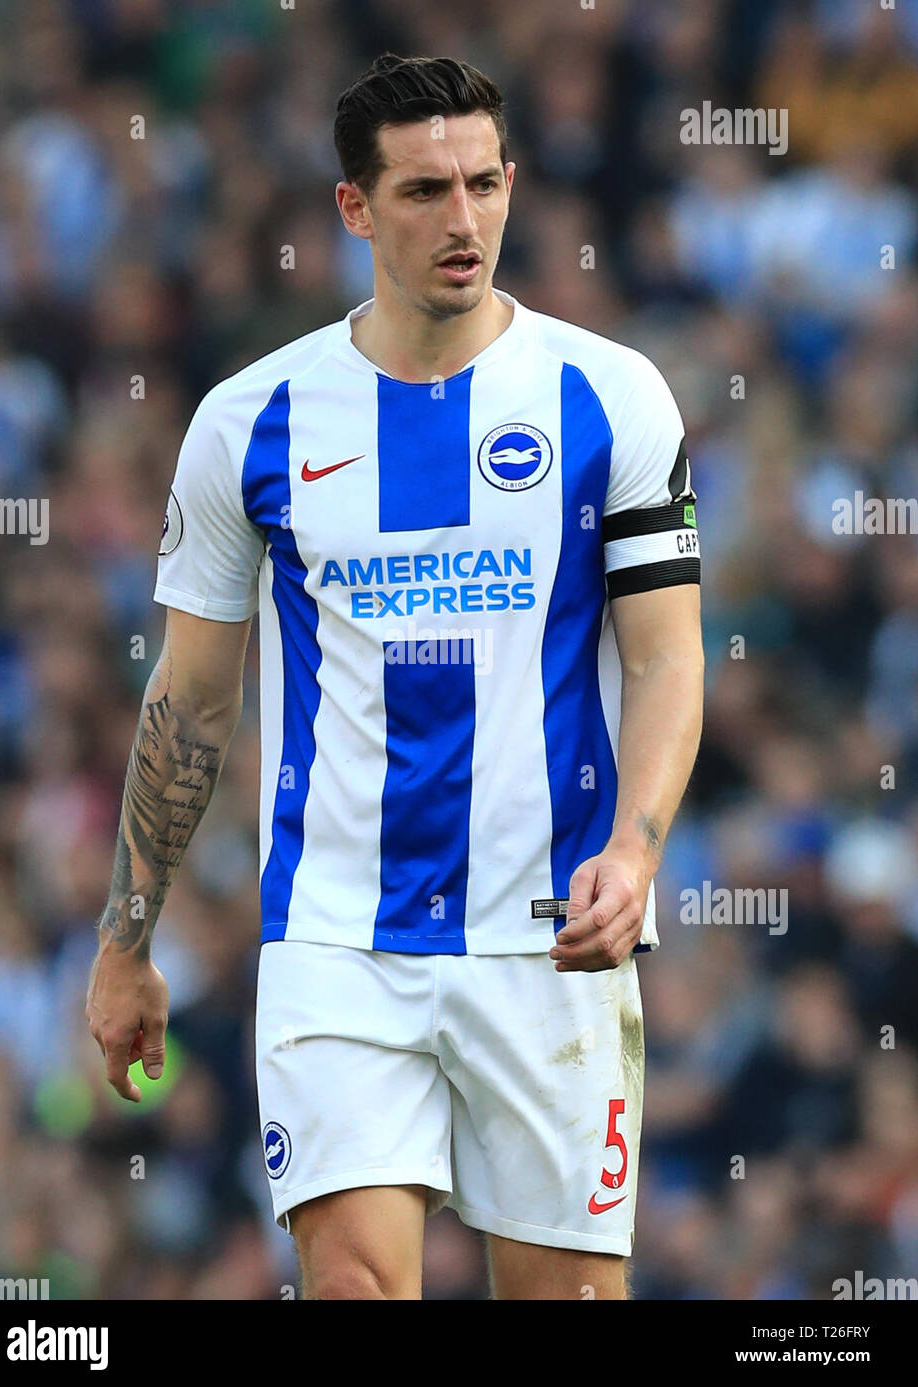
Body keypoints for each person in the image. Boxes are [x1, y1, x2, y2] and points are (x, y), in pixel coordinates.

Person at [86, 52, 704, 1301]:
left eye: (483, 184)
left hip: (549, 940)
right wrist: (126, 940)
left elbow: (667, 653)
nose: (463, 219)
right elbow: (191, 699)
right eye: (423, 191)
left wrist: (635, 851)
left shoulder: (613, 397)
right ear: (354, 208)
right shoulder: (252, 422)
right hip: (335, 937)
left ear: (514, 184)